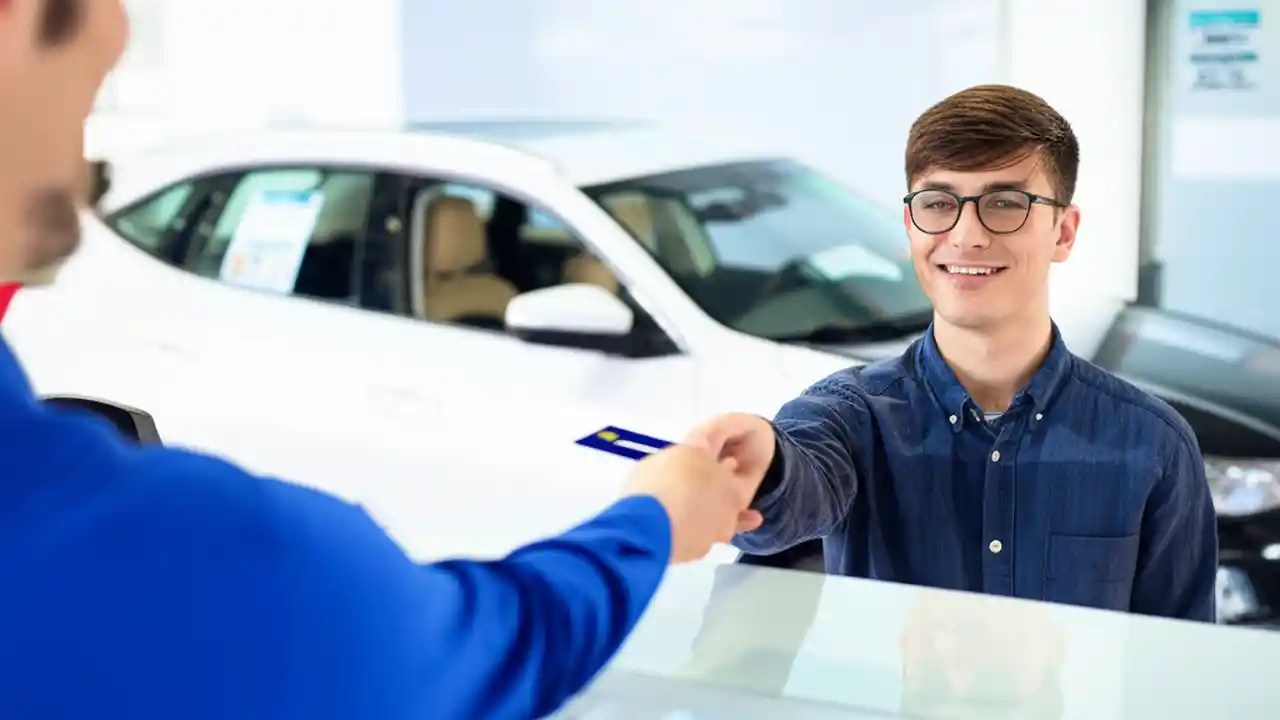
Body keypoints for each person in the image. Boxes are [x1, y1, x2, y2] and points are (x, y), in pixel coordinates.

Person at [0, 2, 762, 718]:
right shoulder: (166, 557)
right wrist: (655, 518)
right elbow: (482, 647)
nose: (88, 182)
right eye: (87, 105)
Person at [688, 84, 1218, 621]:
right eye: (939, 204)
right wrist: (765, 466)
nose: (966, 236)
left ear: (1063, 232)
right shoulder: (850, 417)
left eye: (1005, 204)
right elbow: (792, 498)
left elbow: (1182, 655)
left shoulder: (1152, 444)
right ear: (910, 226)